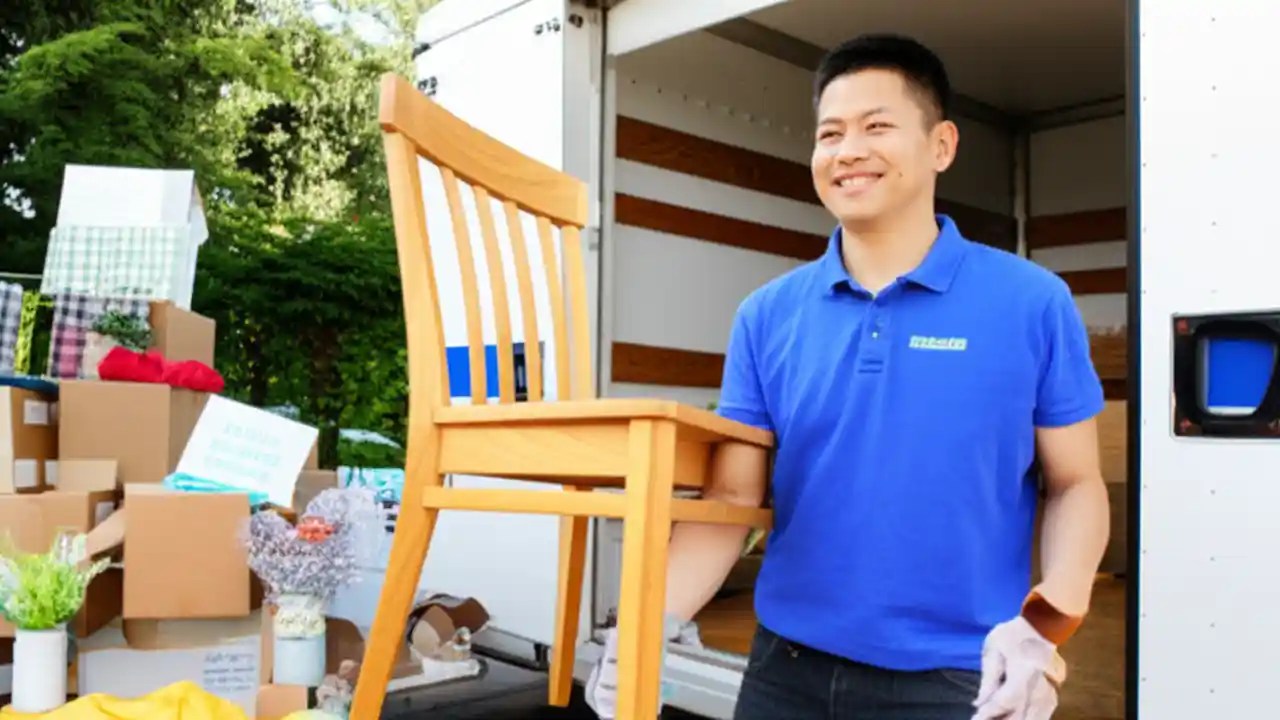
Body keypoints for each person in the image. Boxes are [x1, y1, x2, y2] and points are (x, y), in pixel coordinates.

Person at [586, 33, 1110, 720]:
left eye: (877, 126)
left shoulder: (1032, 301)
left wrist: (1045, 628)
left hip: (961, 678)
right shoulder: (766, 316)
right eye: (829, 133)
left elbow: (1076, 484)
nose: (848, 150)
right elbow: (731, 499)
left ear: (942, 146)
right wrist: (644, 625)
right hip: (784, 673)